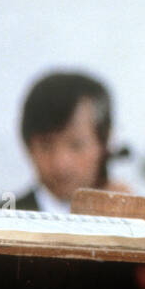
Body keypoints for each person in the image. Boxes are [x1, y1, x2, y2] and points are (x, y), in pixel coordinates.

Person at [13, 70, 127, 213]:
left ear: (104, 143)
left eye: (76, 145)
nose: (61, 164)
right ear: (28, 147)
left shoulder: (134, 222)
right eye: (46, 146)